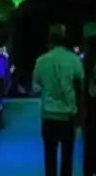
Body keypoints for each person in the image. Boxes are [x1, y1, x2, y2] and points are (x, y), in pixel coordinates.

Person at [34, 25, 85, 176]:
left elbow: (36, 86)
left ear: (50, 40)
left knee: (50, 156)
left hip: (48, 114)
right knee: (67, 157)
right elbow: (81, 84)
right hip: (68, 115)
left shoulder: (41, 61)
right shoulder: (74, 59)